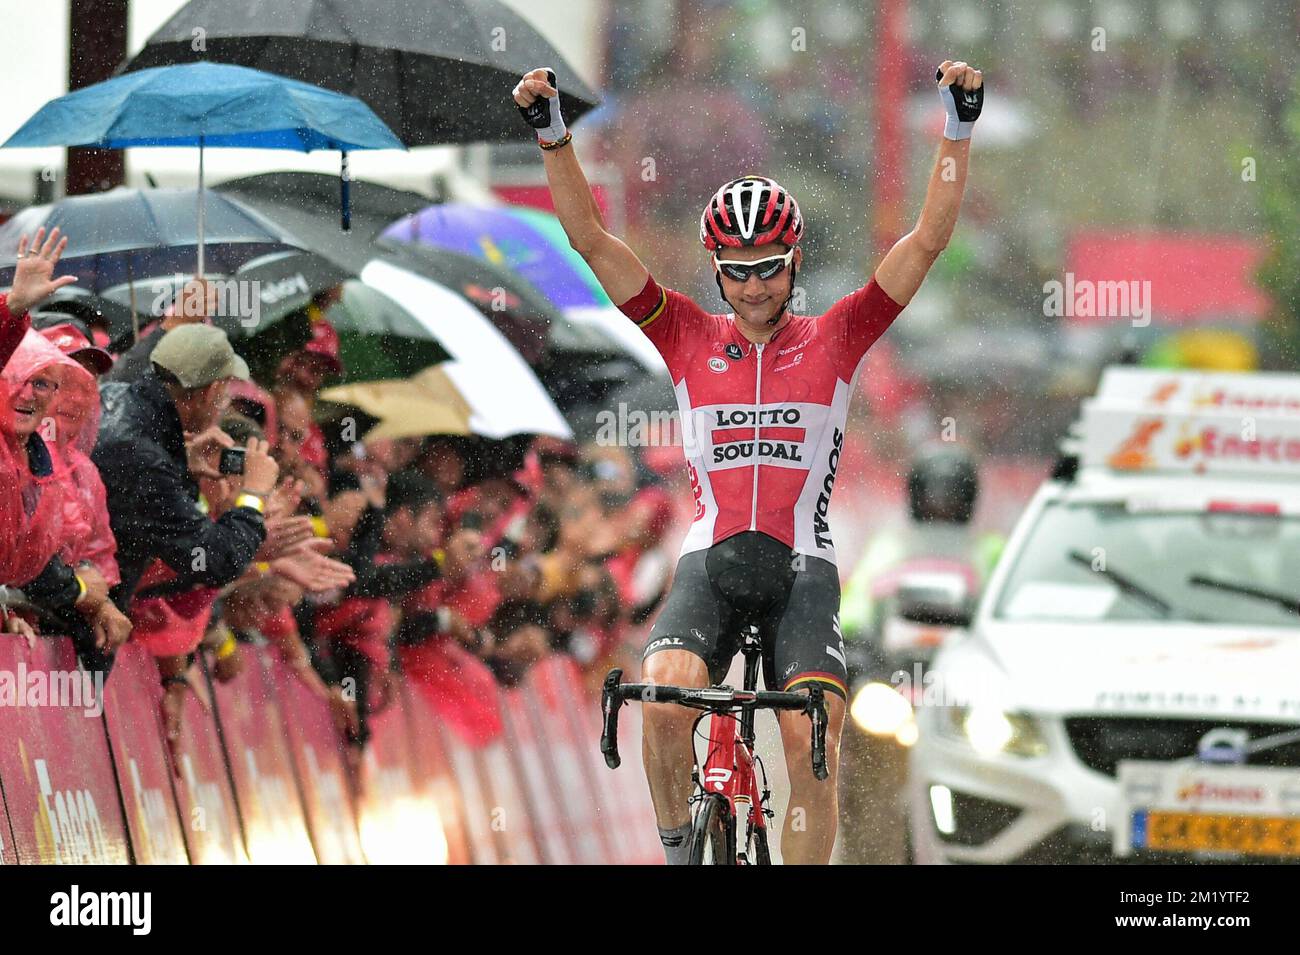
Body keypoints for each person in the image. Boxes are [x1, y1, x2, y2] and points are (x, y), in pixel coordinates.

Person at [513, 59, 984, 864]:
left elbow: (927, 240)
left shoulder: (838, 335)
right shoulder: (684, 332)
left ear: (793, 261)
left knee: (811, 742)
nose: (755, 286)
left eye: (769, 266)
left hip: (803, 569)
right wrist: (553, 135)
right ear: (716, 269)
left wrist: (957, 128)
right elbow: (590, 238)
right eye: (737, 270)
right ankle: (678, 851)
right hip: (712, 561)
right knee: (664, 703)